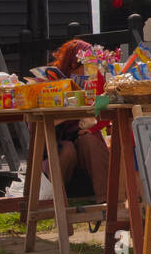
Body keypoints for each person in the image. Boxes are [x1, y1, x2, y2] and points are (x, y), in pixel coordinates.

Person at [41, 38, 110, 198]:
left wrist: (92, 127)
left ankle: (109, 203)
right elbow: (37, 127)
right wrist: (70, 112)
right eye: (85, 65)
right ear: (72, 64)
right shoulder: (50, 79)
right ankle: (58, 203)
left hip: (81, 142)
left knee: (91, 141)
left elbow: (104, 115)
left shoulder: (94, 81)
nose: (89, 71)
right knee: (67, 150)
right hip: (54, 146)